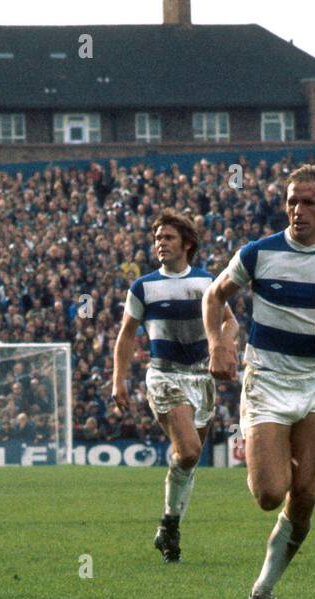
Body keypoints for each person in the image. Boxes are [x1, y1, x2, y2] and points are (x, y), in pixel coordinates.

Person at [202, 165, 315, 599]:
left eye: (308, 202)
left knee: (307, 494)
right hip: (269, 381)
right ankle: (267, 454)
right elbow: (214, 296)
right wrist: (218, 343)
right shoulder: (258, 254)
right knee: (270, 494)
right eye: (292, 201)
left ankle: (263, 591)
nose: (297, 210)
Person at [111, 209, 238, 563]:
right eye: (156, 239)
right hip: (164, 375)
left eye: (167, 238)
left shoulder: (205, 283)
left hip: (202, 377)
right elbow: (126, 336)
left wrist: (223, 345)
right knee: (190, 451)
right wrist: (118, 379)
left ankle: (169, 528)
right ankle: (170, 524)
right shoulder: (143, 286)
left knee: (188, 460)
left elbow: (231, 323)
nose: (160, 244)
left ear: (187, 243)